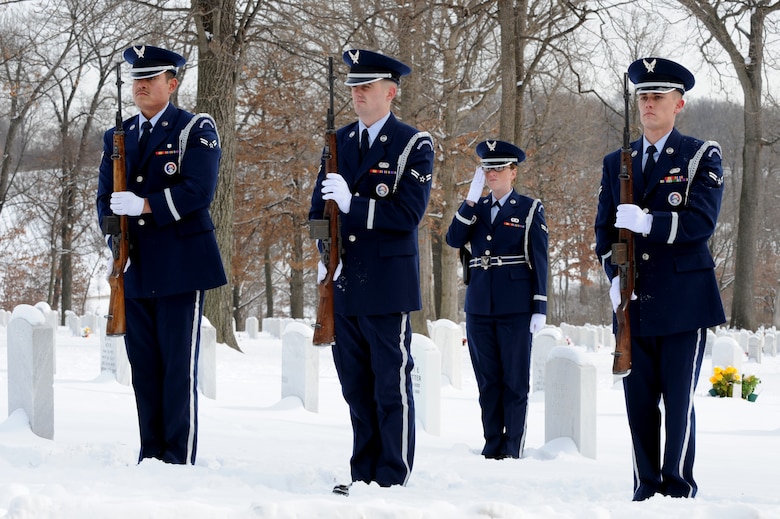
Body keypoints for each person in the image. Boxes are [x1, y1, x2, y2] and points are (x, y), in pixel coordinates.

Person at [594, 57, 725, 500]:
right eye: (643, 97)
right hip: (633, 300)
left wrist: (650, 222)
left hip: (684, 300)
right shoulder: (617, 161)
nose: (649, 104)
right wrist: (613, 274)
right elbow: (604, 230)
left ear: (679, 104)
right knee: (638, 405)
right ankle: (645, 487)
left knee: (678, 404)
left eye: (658, 97)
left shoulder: (700, 155)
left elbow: (701, 223)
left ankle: (676, 489)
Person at [308, 49, 434, 495]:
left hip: (386, 283)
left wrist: (353, 205)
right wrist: (326, 252)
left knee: (390, 383)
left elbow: (408, 213)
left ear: (390, 91)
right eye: (354, 87)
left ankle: (392, 474)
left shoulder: (413, 144)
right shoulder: (337, 143)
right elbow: (316, 213)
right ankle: (362, 471)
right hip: (343, 281)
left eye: (367, 87)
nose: (358, 94)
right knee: (355, 385)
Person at [96, 45, 227, 465]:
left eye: (151, 78)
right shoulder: (119, 136)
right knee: (145, 370)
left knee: (176, 369)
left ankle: (177, 456)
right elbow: (104, 199)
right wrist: (116, 244)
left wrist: (145, 204)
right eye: (137, 77)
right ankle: (150, 453)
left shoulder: (195, 129)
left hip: (180, 266)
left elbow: (197, 191)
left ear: (172, 84)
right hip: (134, 267)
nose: (141, 85)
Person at [445, 140, 548, 460]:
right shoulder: (474, 210)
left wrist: (539, 306)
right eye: (487, 168)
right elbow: (453, 239)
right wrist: (469, 201)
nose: (491, 173)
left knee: (514, 382)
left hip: (516, 307)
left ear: (513, 172)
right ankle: (492, 444)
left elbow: (540, 259)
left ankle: (513, 445)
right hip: (479, 306)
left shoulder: (530, 209)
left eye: (498, 168)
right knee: (488, 382)